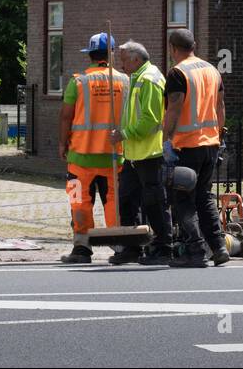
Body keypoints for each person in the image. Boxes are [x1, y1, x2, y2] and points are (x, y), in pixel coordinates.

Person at [58, 32, 129, 264]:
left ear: (90, 55)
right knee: (113, 204)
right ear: (111, 54)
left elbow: (65, 117)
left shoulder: (78, 81)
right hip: (114, 156)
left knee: (78, 201)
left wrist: (62, 143)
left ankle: (82, 248)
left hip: (80, 157)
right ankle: (119, 247)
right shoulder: (125, 81)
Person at [161, 28, 229, 269]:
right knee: (205, 197)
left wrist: (166, 139)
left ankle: (196, 250)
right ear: (195, 45)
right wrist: (219, 136)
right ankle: (219, 247)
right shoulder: (212, 70)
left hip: (186, 146)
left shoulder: (177, 72)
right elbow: (220, 106)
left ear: (173, 49)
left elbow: (174, 108)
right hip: (210, 144)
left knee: (183, 200)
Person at [109, 41, 171, 266]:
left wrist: (124, 133)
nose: (122, 64)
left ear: (136, 59)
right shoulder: (137, 78)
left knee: (154, 202)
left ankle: (164, 246)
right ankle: (132, 246)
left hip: (149, 153)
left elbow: (150, 119)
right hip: (134, 154)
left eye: (124, 59)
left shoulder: (150, 79)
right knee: (126, 200)